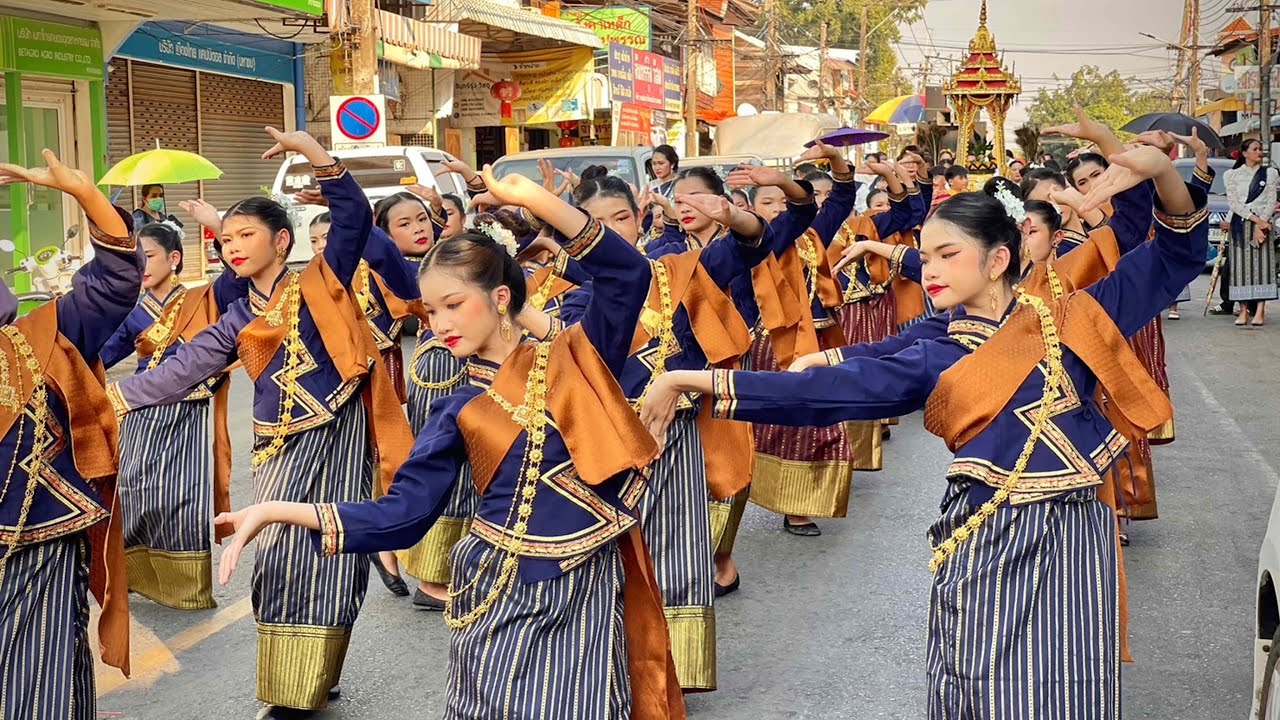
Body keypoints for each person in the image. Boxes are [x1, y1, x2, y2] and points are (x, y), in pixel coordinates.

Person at [641, 145, 1207, 719]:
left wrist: (1162, 170)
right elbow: (844, 385)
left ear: (996, 260)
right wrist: (699, 379)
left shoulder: (1078, 318)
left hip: (1074, 541)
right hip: (989, 541)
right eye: (926, 255)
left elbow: (1178, 254)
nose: (929, 269)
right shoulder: (940, 349)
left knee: (1069, 682)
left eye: (946, 254)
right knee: (984, 685)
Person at [214, 167, 685, 720]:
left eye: (454, 305)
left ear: (501, 297)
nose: (438, 324)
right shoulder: (456, 409)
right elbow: (402, 515)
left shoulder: (577, 357)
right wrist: (279, 510)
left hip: (584, 588)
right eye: (431, 311)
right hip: (495, 596)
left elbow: (626, 274)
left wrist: (534, 199)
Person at [107, 128, 414, 718]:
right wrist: (115, 400)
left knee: (331, 558)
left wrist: (314, 153)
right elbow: (189, 364)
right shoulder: (241, 313)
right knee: (276, 561)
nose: (233, 248)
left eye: (246, 235)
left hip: (338, 435)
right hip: (276, 452)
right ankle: (291, 688)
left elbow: (351, 217)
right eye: (225, 240)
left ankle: (314, 680)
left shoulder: (323, 279)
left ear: (282, 239)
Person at [0, 149, 141, 717]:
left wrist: (85, 195)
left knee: (41, 677)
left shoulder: (45, 335)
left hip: (39, 539)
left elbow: (114, 281)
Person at [98, 220, 245, 610]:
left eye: (149, 257)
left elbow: (237, 281)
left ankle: (185, 588)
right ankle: (132, 573)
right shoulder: (135, 310)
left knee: (184, 495)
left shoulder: (204, 297)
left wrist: (219, 228)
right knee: (132, 486)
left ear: (174, 259)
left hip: (191, 408)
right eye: (137, 259)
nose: (142, 265)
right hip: (143, 408)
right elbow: (104, 353)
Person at [1224, 138, 1278, 326]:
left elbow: (1271, 200)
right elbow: (1234, 203)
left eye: (1260, 149)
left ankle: (1260, 311)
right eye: (1255, 149)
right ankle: (1243, 310)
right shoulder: (1232, 175)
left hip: (1263, 224)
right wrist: (1255, 220)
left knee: (1263, 267)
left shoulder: (1270, 173)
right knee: (1241, 268)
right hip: (1241, 224)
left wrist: (1261, 224)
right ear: (1245, 153)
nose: (1259, 152)